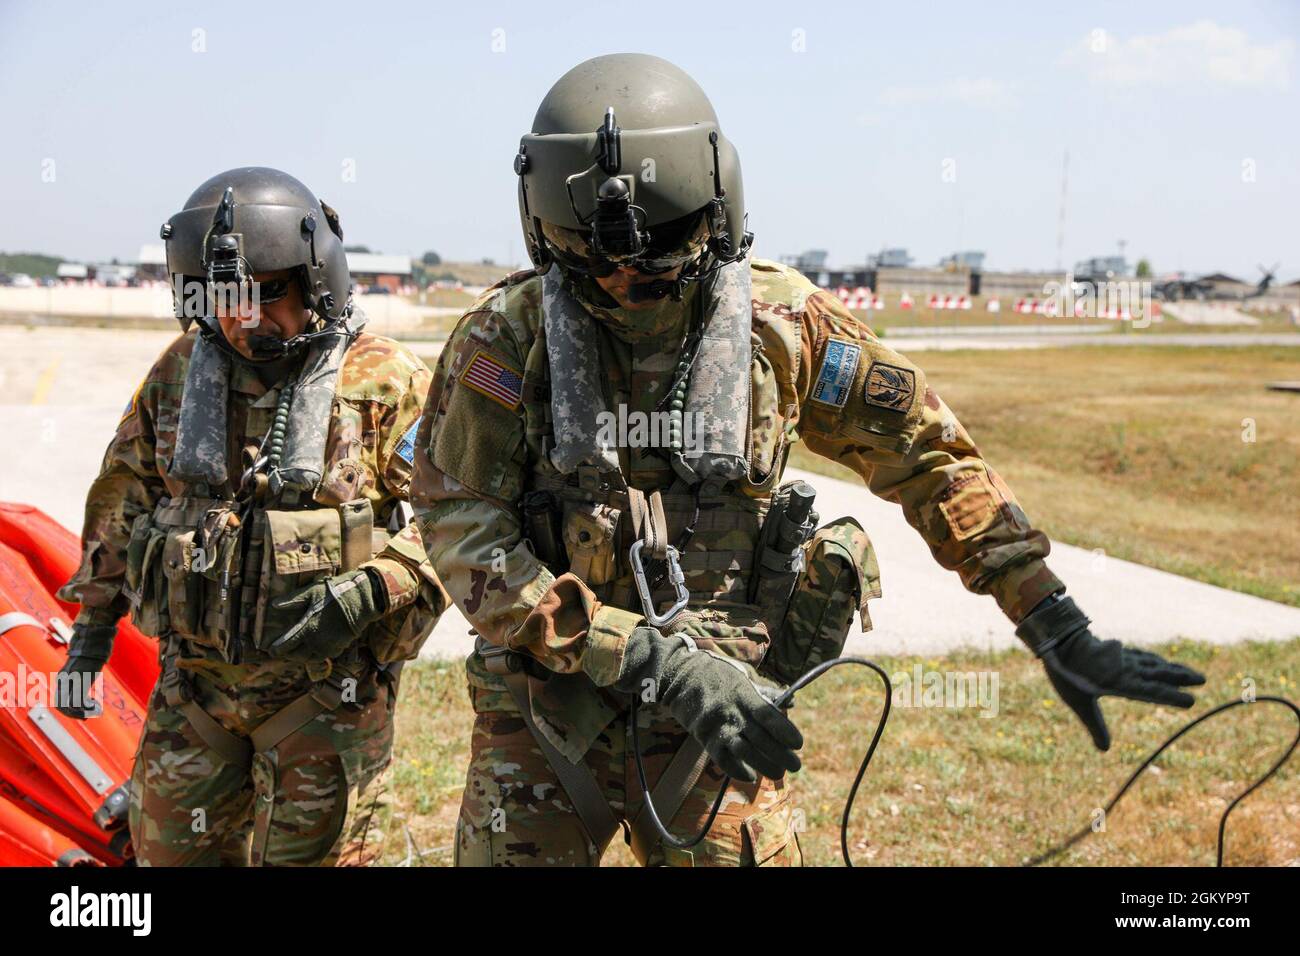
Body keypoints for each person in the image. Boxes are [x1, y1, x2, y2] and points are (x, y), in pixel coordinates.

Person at [410, 55, 1204, 867]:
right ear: (546, 228)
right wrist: (646, 656)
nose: (624, 280)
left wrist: (1052, 622)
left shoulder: (782, 327)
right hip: (548, 714)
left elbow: (929, 458)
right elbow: (459, 526)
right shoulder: (507, 339)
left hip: (721, 719)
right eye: (592, 255)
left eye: (661, 252)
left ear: (717, 212)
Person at [55, 166, 446, 866]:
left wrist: (375, 586)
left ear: (316, 280)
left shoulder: (386, 380)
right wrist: (91, 633)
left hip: (328, 702)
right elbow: (123, 500)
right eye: (225, 298)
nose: (243, 318)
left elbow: (460, 523)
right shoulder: (179, 374)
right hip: (194, 696)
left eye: (268, 294)